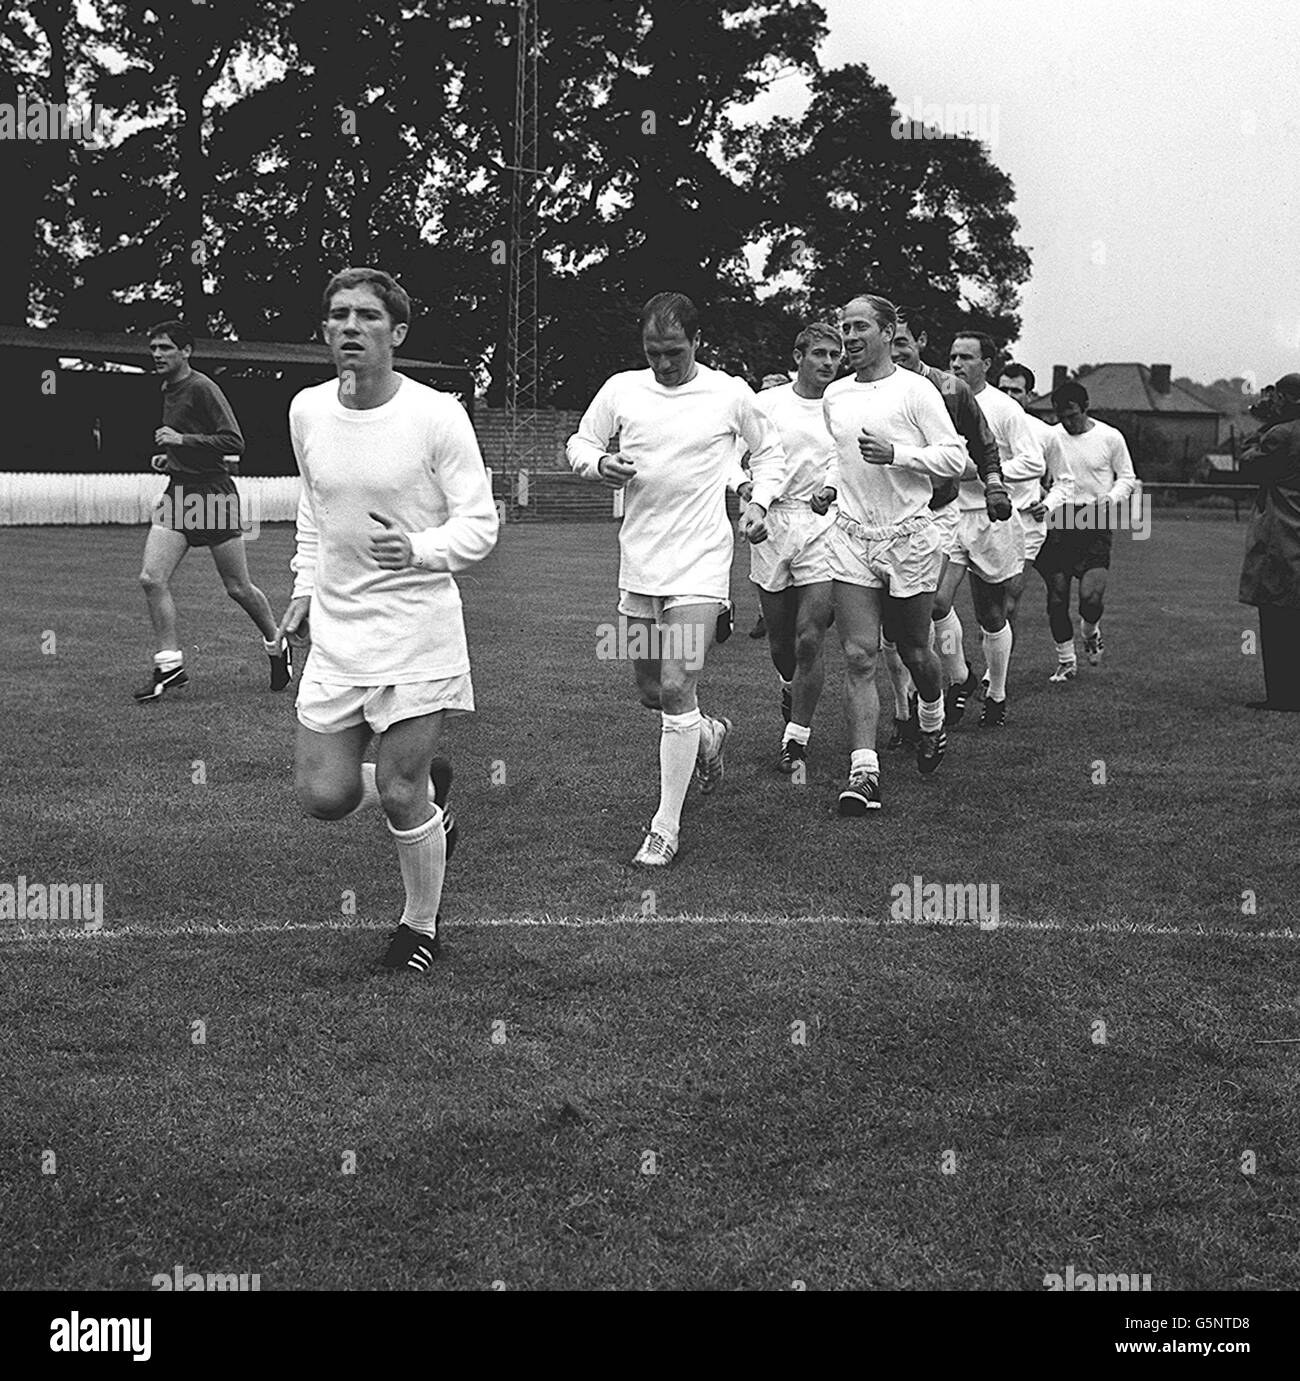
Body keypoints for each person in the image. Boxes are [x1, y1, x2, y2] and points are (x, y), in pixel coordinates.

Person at [275, 268, 498, 974]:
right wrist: (305, 586)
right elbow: (314, 508)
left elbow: (482, 524)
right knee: (324, 794)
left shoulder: (436, 415)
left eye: (367, 315)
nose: (349, 326)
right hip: (339, 631)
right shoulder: (307, 410)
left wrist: (421, 549)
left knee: (400, 789)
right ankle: (436, 808)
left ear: (396, 332)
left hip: (417, 629)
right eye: (337, 313)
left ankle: (419, 926)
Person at [567, 291, 785, 866]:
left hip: (701, 562)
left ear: (697, 343)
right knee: (650, 691)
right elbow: (581, 443)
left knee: (676, 683)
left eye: (674, 352)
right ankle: (709, 735)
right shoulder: (621, 389)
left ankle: (665, 826)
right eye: (653, 352)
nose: (663, 364)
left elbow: (770, 454)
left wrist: (759, 502)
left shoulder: (730, 393)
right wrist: (599, 464)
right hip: (640, 562)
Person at [814, 294, 969, 813]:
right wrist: (828, 488)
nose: (850, 337)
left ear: (886, 330)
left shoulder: (917, 390)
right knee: (858, 654)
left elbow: (955, 457)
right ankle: (865, 773)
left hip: (908, 538)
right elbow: (841, 459)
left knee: (914, 651)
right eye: (844, 329)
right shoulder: (835, 394)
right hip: (852, 537)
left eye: (860, 327)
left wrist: (898, 455)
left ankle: (932, 714)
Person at [133, 320, 290, 702]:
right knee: (152, 578)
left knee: (237, 587)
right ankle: (170, 666)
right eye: (154, 347)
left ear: (186, 351)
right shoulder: (167, 387)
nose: (157, 354)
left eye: (166, 348)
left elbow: (233, 440)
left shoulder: (203, 387)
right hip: (179, 493)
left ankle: (276, 644)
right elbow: (190, 445)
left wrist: (180, 439)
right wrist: (170, 456)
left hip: (212, 496)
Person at [887, 308, 1003, 741]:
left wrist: (994, 486)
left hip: (938, 511)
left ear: (919, 340)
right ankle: (907, 709)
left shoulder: (949, 389)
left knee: (931, 605)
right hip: (882, 516)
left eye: (902, 342)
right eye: (889, 342)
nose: (895, 352)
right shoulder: (867, 388)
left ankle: (949, 680)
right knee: (891, 623)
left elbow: (984, 444)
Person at [738, 323, 842, 773]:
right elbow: (731, 456)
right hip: (772, 521)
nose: (829, 363)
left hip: (823, 525)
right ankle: (788, 686)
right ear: (798, 356)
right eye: (819, 353)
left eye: (835, 355)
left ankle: (796, 738)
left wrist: (832, 488)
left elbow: (848, 457)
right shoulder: (766, 404)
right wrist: (748, 496)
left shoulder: (844, 405)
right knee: (781, 642)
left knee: (808, 639)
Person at [944, 332, 1045, 727]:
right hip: (949, 516)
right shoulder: (940, 399)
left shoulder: (1004, 409)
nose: (956, 365)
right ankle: (960, 677)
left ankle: (997, 693)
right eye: (952, 356)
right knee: (936, 604)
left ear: (987, 363)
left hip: (992, 520)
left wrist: (989, 476)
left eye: (966, 357)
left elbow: (1033, 462)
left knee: (991, 616)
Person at [1034, 380, 1137, 681]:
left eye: (1073, 416)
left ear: (1086, 408)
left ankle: (1090, 632)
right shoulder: (1051, 437)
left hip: (1094, 522)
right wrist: (1043, 497)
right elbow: (1037, 475)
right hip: (1058, 523)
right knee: (1057, 598)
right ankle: (1066, 661)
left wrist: (1111, 499)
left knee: (1091, 599)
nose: (1067, 423)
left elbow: (1127, 477)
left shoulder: (1110, 437)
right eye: (1061, 417)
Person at [1238, 373, 1300, 710]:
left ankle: (1283, 695)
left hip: (1285, 537)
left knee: (1277, 620)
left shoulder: (1282, 434)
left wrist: (1263, 425)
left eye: (1279, 397)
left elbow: (1248, 464)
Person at [997, 362, 1071, 631]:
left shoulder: (1045, 433)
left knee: (1008, 603)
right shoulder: (980, 426)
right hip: (984, 523)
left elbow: (1065, 481)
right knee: (986, 610)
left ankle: (994, 674)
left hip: (1026, 525)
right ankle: (966, 667)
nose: (1008, 396)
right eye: (1002, 388)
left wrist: (1048, 504)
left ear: (1029, 395)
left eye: (1015, 391)